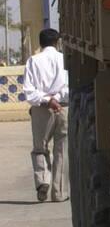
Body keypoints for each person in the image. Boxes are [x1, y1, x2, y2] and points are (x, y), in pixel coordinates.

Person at [22, 28, 69, 202]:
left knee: (40, 148)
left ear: (40, 43)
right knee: (62, 151)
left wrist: (47, 100)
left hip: (41, 110)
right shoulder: (64, 59)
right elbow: (68, 87)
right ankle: (59, 192)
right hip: (62, 108)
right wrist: (56, 99)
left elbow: (28, 92)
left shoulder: (33, 61)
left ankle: (43, 180)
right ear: (57, 43)